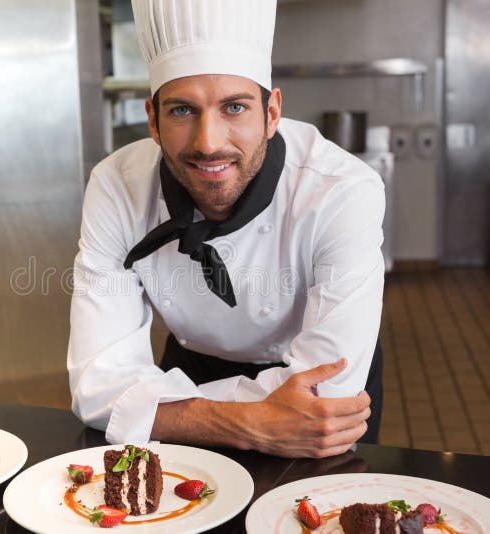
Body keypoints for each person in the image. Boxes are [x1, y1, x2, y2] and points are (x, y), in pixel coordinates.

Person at [67, 0, 384, 458]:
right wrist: (250, 423)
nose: (208, 143)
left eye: (234, 107)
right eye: (181, 111)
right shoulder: (117, 186)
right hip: (191, 367)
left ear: (271, 112)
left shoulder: (341, 190)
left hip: (274, 391)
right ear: (152, 119)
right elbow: (96, 387)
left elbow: (326, 398)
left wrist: (157, 407)